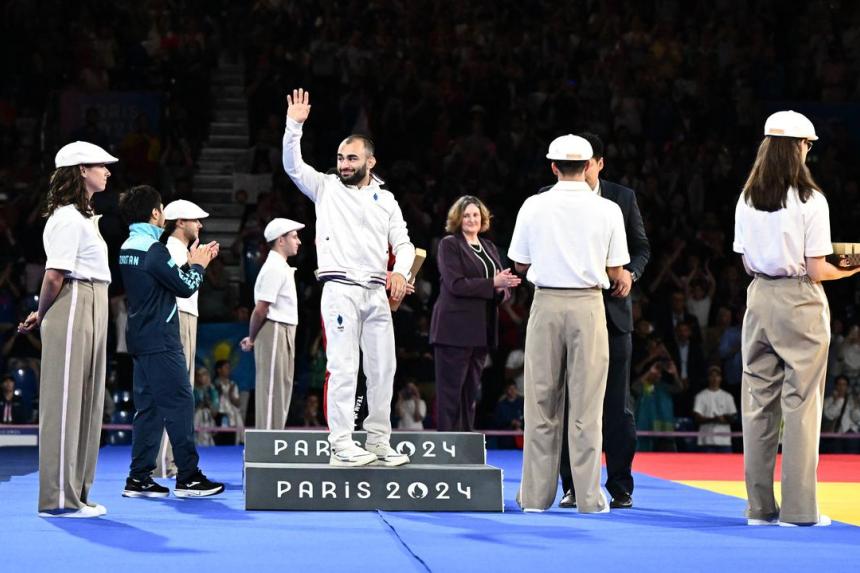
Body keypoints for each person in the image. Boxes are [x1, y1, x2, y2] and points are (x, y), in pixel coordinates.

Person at [733, 110, 860, 527]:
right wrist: (853, 266)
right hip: (799, 301)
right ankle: (799, 511)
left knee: (757, 406)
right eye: (808, 146)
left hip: (759, 297)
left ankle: (759, 509)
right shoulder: (810, 200)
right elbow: (818, 268)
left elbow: (747, 263)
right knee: (802, 405)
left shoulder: (748, 197)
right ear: (800, 147)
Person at [282, 88, 416, 467]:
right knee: (343, 367)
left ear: (370, 162)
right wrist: (295, 126)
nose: (343, 163)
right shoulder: (325, 189)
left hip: (376, 292)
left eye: (351, 158)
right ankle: (341, 443)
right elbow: (293, 166)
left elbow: (404, 245)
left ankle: (378, 441)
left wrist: (400, 273)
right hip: (339, 289)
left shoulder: (386, 200)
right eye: (340, 157)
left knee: (382, 368)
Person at [509, 134, 629, 513]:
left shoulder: (533, 205)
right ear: (589, 165)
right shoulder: (608, 210)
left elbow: (520, 265)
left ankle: (534, 497)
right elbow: (615, 270)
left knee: (541, 403)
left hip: (545, 303)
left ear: (554, 167)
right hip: (589, 305)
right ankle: (589, 499)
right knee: (587, 406)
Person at [18, 141, 116, 518]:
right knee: (64, 402)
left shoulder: (83, 217)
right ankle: (58, 499)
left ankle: (78, 491)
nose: (107, 171)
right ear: (80, 171)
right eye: (100, 165)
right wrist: (41, 314)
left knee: (87, 403)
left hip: (93, 300)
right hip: (74, 300)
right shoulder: (65, 219)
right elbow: (55, 275)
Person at [556, 132, 650, 510]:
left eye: (587, 162)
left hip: (612, 314)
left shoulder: (621, 198)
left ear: (598, 163)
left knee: (617, 405)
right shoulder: (552, 197)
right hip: (570, 308)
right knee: (570, 402)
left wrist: (631, 273)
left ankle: (621, 485)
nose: (581, 169)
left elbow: (642, 247)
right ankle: (572, 485)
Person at [117, 185, 224, 499]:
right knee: (180, 402)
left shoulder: (127, 245)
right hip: (161, 339)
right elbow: (185, 286)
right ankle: (189, 477)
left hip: (138, 336)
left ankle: (138, 477)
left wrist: (189, 266)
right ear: (154, 213)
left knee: (148, 409)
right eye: (161, 207)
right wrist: (200, 265)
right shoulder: (153, 249)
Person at [430, 195, 520, 431]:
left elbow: (501, 287)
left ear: (483, 219)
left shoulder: (489, 247)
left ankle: (466, 443)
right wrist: (493, 283)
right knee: (451, 393)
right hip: (454, 330)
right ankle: (447, 445)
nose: (471, 219)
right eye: (467, 215)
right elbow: (455, 284)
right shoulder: (449, 244)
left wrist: (502, 288)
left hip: (481, 331)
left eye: (476, 215)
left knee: (471, 393)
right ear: (458, 219)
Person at [152, 199, 210, 478]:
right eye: (195, 219)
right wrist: (197, 265)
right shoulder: (171, 249)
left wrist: (197, 263)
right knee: (176, 391)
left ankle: (170, 460)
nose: (200, 224)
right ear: (180, 222)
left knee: (182, 391)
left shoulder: (180, 250)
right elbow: (180, 287)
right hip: (179, 318)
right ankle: (165, 462)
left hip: (188, 317)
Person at [240, 218, 304, 431]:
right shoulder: (274, 267)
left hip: (282, 329)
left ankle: (274, 442)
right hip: (275, 328)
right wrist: (252, 338)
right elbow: (261, 308)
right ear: (280, 240)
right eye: (294, 237)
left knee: (281, 388)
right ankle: (267, 447)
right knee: (271, 389)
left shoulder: (280, 266)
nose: (299, 241)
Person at [693, 366, 738, 453]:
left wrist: (724, 418)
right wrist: (714, 419)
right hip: (706, 441)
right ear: (708, 378)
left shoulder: (728, 397)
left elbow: (734, 417)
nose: (714, 378)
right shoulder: (700, 396)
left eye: (717, 376)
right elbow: (697, 418)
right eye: (712, 376)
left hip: (724, 441)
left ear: (720, 378)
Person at [822, 375, 859, 453]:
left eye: (844, 384)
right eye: (839, 384)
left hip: (852, 435)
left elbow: (856, 417)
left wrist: (856, 405)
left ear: (847, 386)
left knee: (852, 461)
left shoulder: (853, 400)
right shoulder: (829, 400)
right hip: (836, 435)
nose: (841, 387)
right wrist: (839, 400)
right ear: (836, 386)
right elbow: (829, 416)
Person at [213, 360, 244, 444]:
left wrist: (230, 394)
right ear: (219, 370)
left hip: (231, 416)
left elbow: (238, 404)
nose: (228, 370)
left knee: (231, 441)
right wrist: (218, 392)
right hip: (218, 415)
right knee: (220, 441)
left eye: (229, 368)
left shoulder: (233, 384)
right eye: (226, 367)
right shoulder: (213, 384)